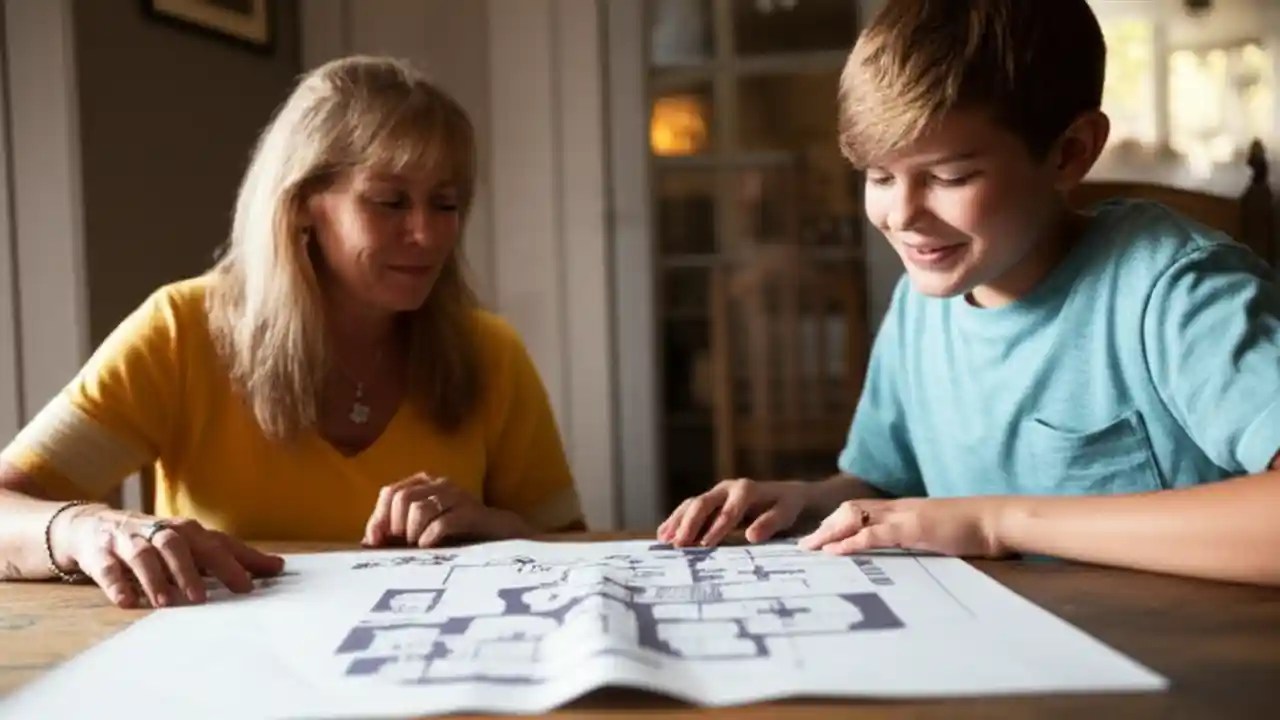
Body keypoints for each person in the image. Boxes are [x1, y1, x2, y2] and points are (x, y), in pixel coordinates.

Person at [659, 0, 1280, 587]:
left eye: (950, 177)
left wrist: (995, 522)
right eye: (878, 176)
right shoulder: (920, 304)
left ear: (1069, 153)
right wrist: (807, 500)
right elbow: (888, 484)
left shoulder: (1172, 291)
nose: (902, 215)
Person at [0, 56, 585, 608]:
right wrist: (83, 526)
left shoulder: (491, 351)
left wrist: (498, 527)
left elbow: (578, 551)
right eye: (390, 202)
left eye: (446, 205)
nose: (428, 236)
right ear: (304, 203)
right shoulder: (181, 330)